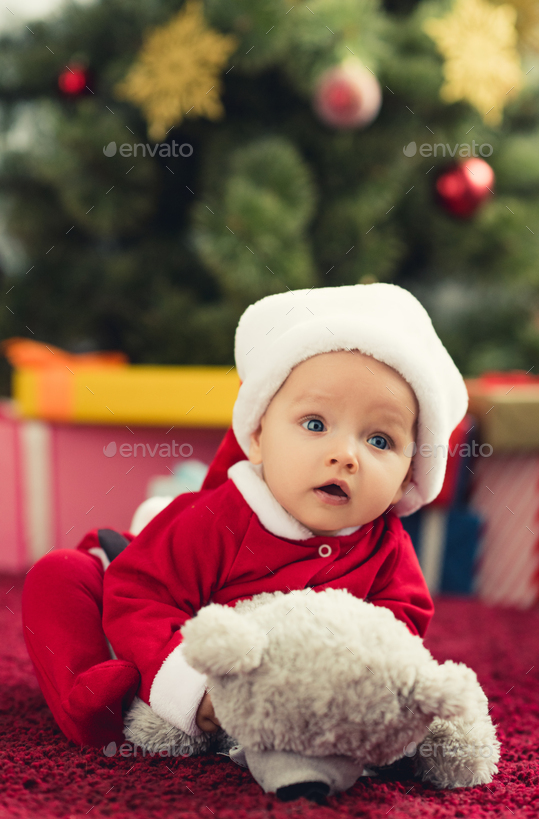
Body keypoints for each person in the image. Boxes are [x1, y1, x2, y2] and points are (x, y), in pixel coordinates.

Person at [21, 282, 468, 748]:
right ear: (257, 438)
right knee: (60, 574)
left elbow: (397, 632)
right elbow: (138, 593)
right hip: (145, 638)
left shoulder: (387, 549)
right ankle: (89, 696)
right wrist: (191, 687)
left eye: (380, 441)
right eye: (315, 424)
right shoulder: (220, 517)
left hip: (268, 690)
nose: (345, 456)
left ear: (406, 477)